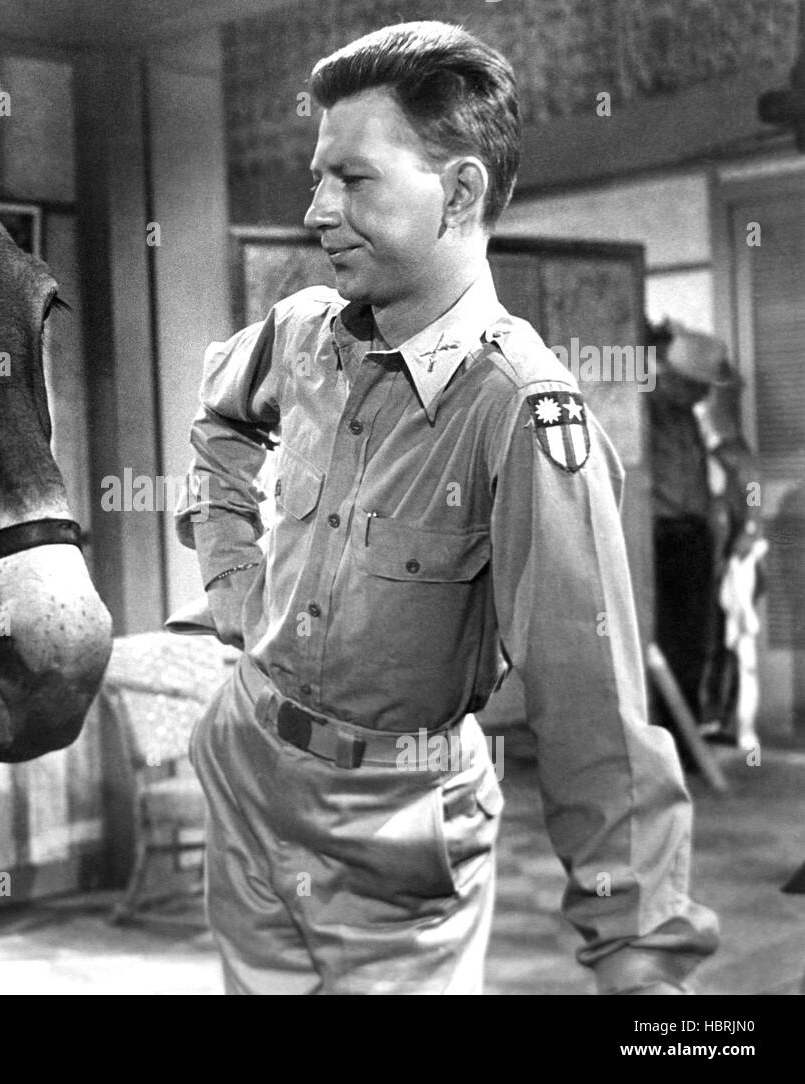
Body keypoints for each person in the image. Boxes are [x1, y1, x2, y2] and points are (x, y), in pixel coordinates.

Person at [174, 20, 719, 994]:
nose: (315, 210)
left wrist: (639, 962)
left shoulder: (521, 410)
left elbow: (591, 708)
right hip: (250, 766)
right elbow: (218, 428)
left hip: (395, 817)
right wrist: (232, 583)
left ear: (460, 192)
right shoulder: (303, 331)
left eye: (352, 179)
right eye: (315, 177)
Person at [646, 319, 764, 754]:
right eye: (697, 388)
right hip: (648, 536)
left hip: (694, 535)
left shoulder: (698, 413)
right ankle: (661, 739)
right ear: (673, 378)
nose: (704, 396)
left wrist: (750, 524)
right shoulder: (635, 405)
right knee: (652, 641)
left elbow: (744, 467)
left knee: (694, 641)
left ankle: (686, 736)